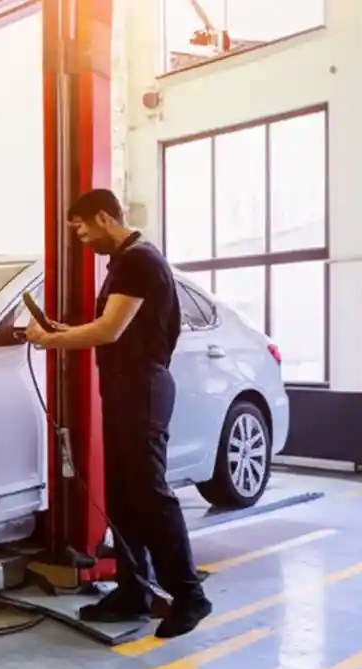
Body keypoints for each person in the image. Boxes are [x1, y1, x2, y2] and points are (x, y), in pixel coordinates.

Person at [25, 188, 212, 639]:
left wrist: (50, 341)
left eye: (83, 227)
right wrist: (67, 331)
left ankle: (190, 596)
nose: (82, 237)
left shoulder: (139, 262)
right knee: (124, 497)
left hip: (142, 389)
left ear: (105, 218)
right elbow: (116, 325)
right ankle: (134, 591)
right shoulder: (127, 262)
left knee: (149, 494)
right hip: (127, 388)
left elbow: (110, 331)